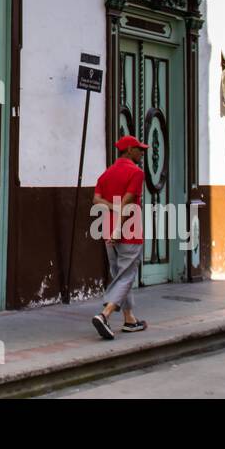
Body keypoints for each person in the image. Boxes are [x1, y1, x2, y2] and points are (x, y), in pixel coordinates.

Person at [90, 135, 149, 340]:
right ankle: (104, 315)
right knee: (126, 276)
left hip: (107, 230)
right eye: (139, 149)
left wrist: (111, 209)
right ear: (129, 150)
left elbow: (96, 199)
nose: (142, 152)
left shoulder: (106, 174)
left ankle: (129, 319)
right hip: (128, 231)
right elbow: (128, 200)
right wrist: (119, 227)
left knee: (120, 275)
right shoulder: (136, 172)